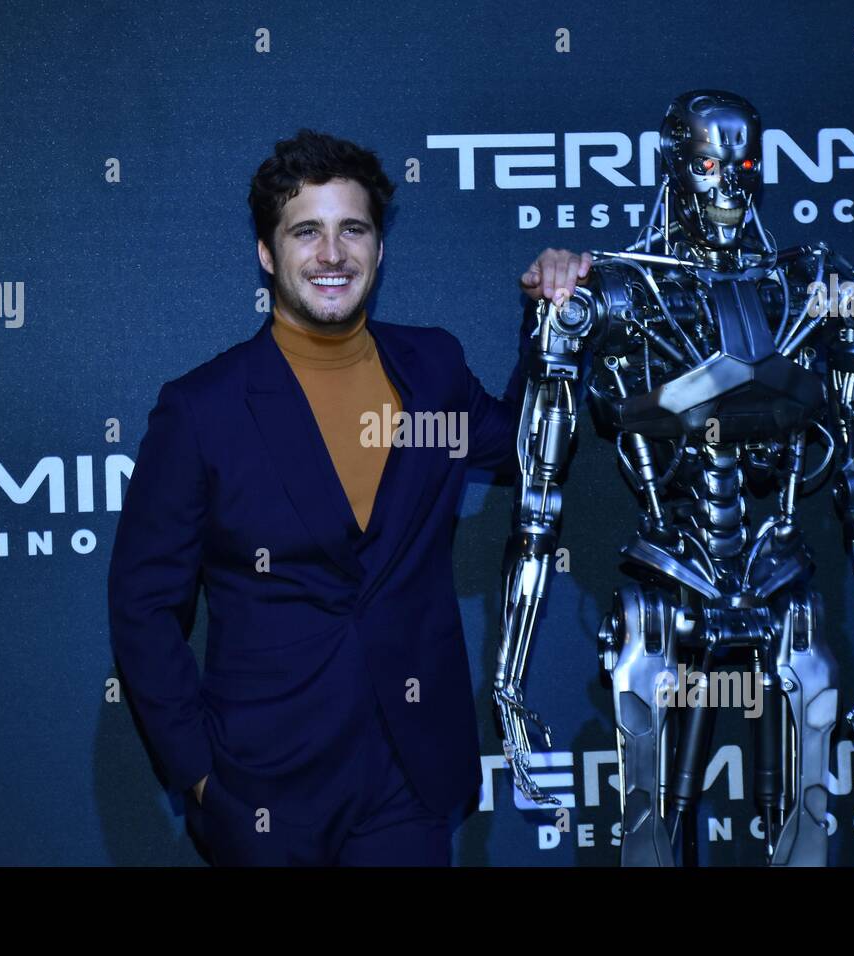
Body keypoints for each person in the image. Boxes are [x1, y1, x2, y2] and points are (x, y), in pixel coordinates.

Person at [107, 128, 588, 865]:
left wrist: (549, 320)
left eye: (351, 229)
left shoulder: (431, 370)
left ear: (378, 248)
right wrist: (200, 778)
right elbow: (144, 606)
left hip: (409, 783)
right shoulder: (202, 410)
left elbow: (530, 450)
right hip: (262, 794)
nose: (332, 254)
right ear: (268, 254)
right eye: (307, 231)